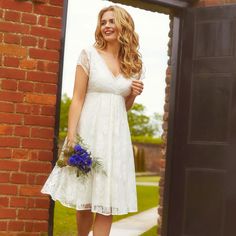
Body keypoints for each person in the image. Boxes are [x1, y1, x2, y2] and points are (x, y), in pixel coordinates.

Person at [41, 4, 144, 236]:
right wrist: (71, 137)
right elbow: (77, 99)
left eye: (111, 21)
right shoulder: (89, 55)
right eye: (103, 22)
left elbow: (123, 108)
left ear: (123, 26)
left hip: (116, 139)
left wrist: (133, 95)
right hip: (89, 132)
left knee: (106, 204)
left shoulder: (134, 65)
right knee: (85, 199)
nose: (106, 26)